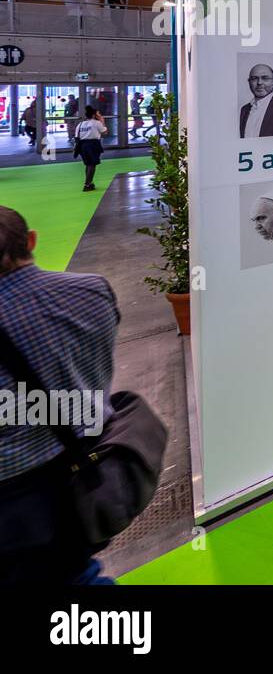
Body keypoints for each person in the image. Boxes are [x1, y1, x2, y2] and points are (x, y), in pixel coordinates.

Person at [0, 207, 124, 584]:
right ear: (32, 241)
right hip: (87, 460)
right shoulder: (91, 289)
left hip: (17, 493)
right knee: (73, 573)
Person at [75, 107, 109, 191]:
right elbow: (105, 132)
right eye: (98, 114)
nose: (99, 115)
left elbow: (76, 136)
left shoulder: (80, 124)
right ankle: (87, 184)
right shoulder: (97, 123)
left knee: (88, 164)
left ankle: (89, 183)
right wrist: (102, 121)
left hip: (82, 145)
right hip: (93, 144)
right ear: (94, 115)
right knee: (92, 165)